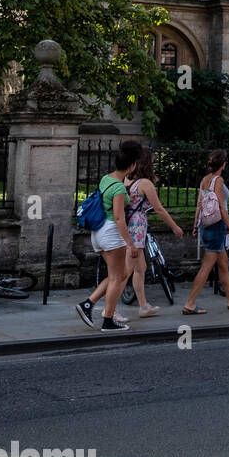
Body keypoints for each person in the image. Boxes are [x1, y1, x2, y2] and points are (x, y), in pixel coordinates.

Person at [75, 140, 143, 333]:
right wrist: (131, 244)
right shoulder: (120, 188)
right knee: (116, 278)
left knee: (118, 275)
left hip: (99, 232)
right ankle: (107, 320)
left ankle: (88, 304)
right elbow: (120, 218)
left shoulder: (106, 179)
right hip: (112, 231)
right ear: (132, 165)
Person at [181, 150, 229, 314]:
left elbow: (199, 204)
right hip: (217, 226)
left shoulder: (205, 180)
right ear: (223, 163)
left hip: (206, 226)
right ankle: (190, 303)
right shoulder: (218, 180)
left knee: (224, 264)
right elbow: (221, 207)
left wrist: (194, 226)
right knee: (206, 267)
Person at [123, 149, 184, 316]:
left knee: (140, 267)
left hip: (127, 225)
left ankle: (143, 306)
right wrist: (174, 226)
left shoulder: (127, 180)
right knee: (127, 271)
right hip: (136, 228)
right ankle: (108, 309)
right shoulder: (145, 184)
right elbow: (158, 208)